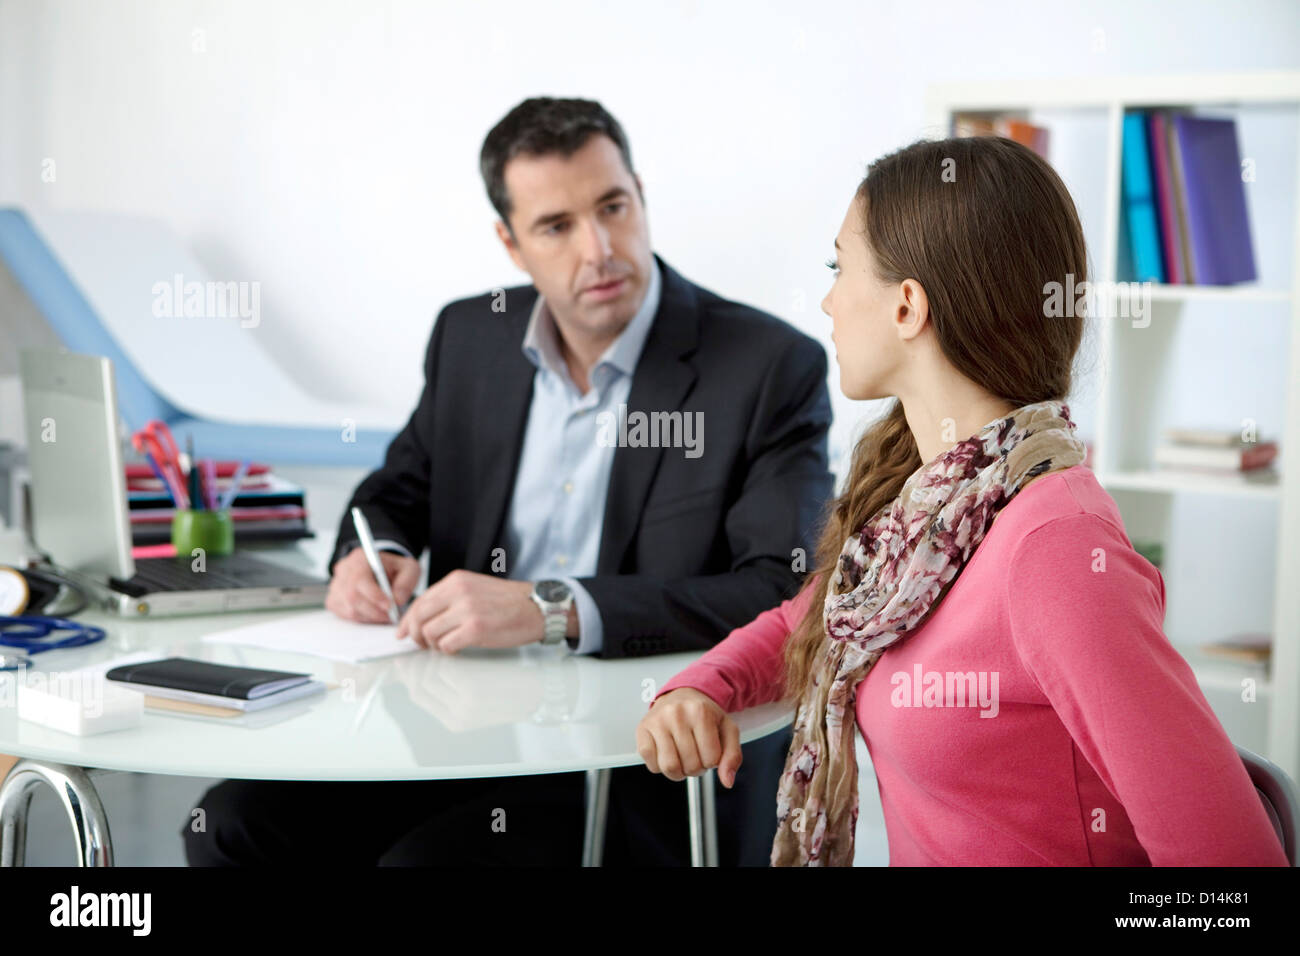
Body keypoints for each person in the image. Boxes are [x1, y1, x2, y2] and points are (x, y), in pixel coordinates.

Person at [182, 96, 833, 866]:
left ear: (641, 196)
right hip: (457, 727)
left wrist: (550, 609)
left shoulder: (765, 366)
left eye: (613, 207)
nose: (599, 249)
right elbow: (394, 490)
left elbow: (781, 588)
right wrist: (374, 554)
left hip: (640, 759)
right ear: (511, 244)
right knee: (229, 823)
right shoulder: (471, 336)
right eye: (556, 226)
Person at [637, 134, 1290, 867]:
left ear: (907, 306)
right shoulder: (924, 508)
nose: (827, 299)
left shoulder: (1056, 549)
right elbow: (808, 622)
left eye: (838, 268)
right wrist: (699, 690)